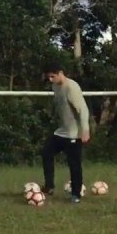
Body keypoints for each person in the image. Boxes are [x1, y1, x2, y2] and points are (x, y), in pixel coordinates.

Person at [41, 62, 90, 204]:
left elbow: (83, 110)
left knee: (74, 164)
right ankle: (49, 186)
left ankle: (76, 195)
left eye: (52, 76)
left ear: (60, 73)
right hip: (62, 131)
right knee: (46, 153)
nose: (50, 80)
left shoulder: (72, 87)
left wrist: (85, 130)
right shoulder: (55, 86)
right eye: (48, 77)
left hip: (75, 133)